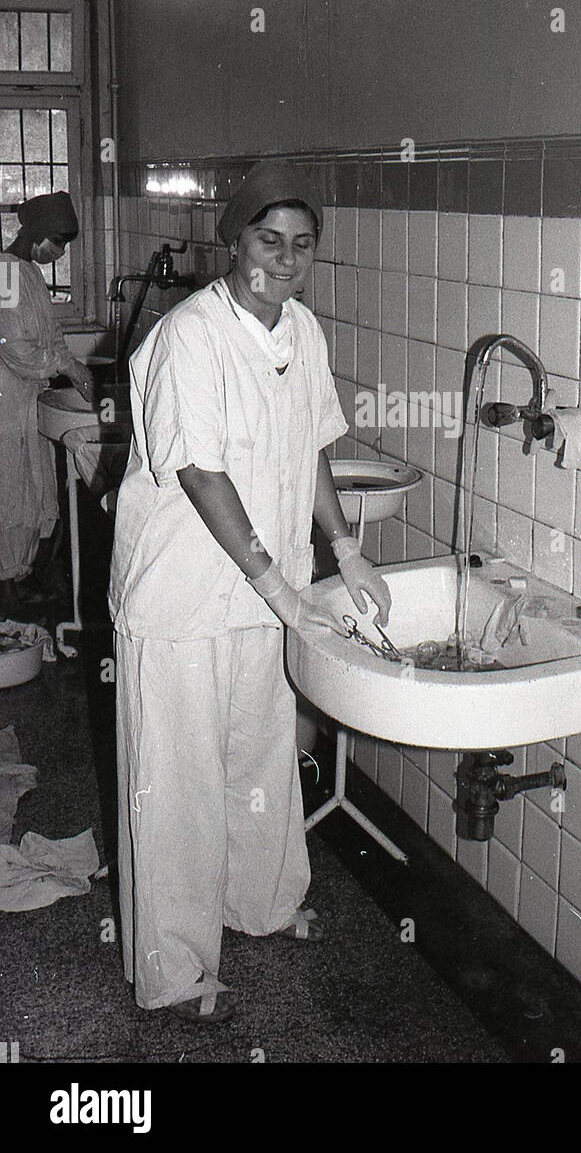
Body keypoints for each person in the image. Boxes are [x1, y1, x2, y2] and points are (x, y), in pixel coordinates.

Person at [109, 160, 391, 1024]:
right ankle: (177, 965)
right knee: (179, 780)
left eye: (302, 244)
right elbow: (199, 470)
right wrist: (275, 580)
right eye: (269, 239)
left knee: (260, 753)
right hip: (186, 595)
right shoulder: (189, 335)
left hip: (272, 595)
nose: (285, 257)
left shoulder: (300, 330)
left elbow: (309, 442)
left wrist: (343, 547)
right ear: (233, 239)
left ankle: (261, 906)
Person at [0, 191, 92, 617]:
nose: (59, 250)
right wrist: (62, 367)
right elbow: (16, 349)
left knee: (31, 493)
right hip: (7, 403)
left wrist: (72, 364)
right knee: (10, 494)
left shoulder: (29, 273)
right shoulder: (5, 274)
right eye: (57, 240)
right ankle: (6, 593)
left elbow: (49, 335)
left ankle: (20, 580)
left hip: (26, 401)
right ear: (35, 232)